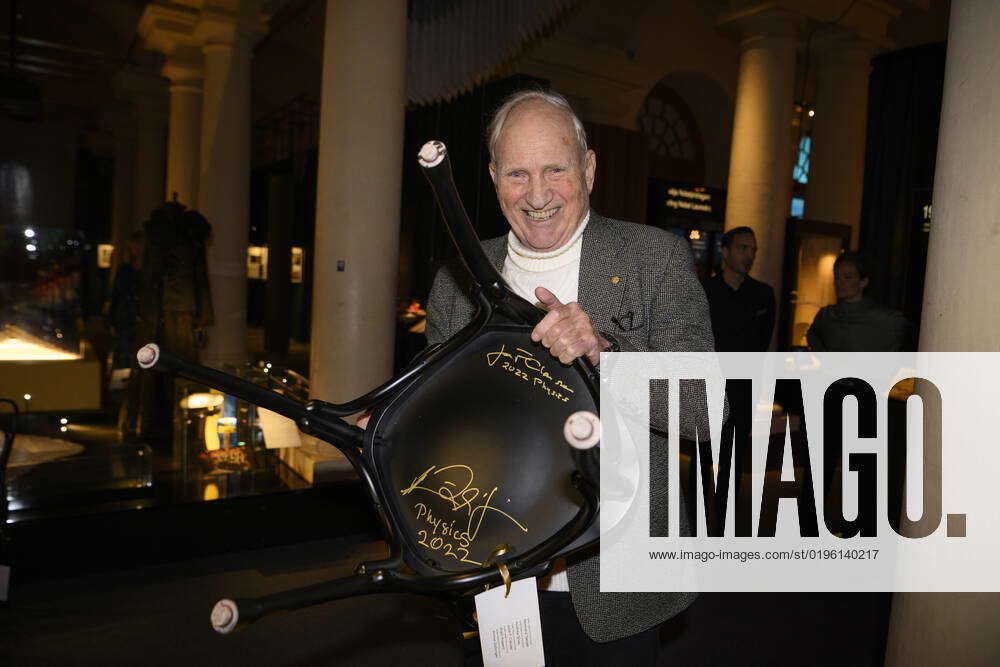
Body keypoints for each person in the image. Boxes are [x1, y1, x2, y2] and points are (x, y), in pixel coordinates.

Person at [424, 89, 716, 665]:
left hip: (615, 588)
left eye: (555, 169)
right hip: (497, 581)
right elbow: (439, 424)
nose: (536, 195)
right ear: (492, 177)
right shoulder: (457, 282)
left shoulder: (652, 260)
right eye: (517, 173)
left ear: (588, 166)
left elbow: (702, 411)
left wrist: (604, 352)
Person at [806, 252, 909, 352]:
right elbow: (812, 336)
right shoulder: (826, 315)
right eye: (837, 277)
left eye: (847, 277)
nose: (839, 283)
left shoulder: (886, 319)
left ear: (863, 282)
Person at [702, 226, 776, 351]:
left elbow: (762, 344)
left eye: (753, 250)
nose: (750, 256)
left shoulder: (764, 294)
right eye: (743, 248)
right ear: (725, 252)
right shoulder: (704, 291)